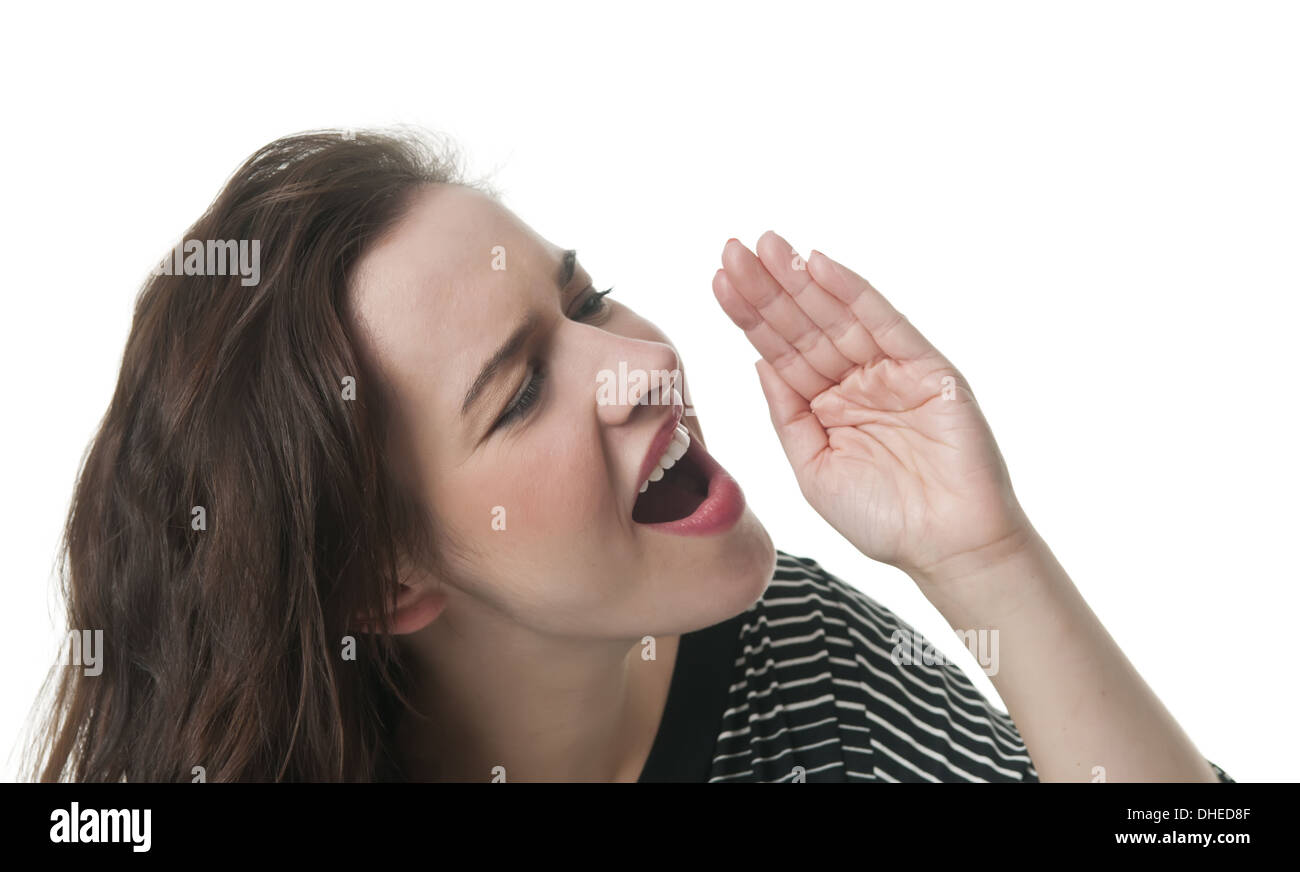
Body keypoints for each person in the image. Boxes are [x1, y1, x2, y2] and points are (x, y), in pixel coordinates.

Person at [23, 128, 1232, 782]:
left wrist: (985, 554)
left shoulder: (794, 669)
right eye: (518, 394)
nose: (641, 365)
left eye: (587, 300)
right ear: (383, 582)